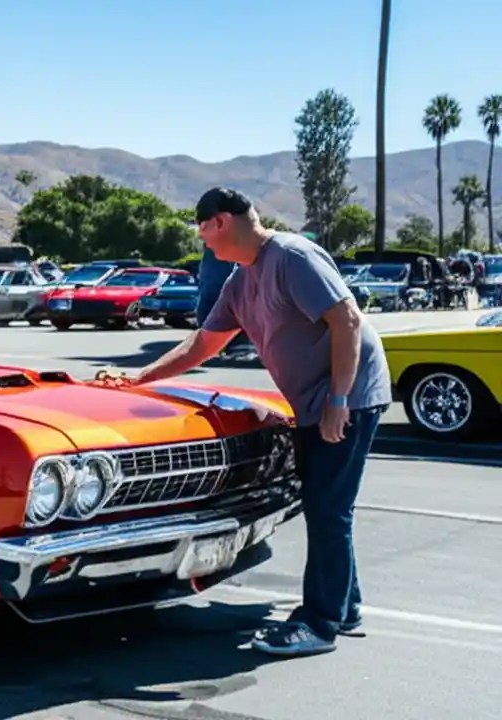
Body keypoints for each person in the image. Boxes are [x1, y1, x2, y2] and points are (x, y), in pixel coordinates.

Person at [134, 187, 392, 658]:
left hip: (349, 396)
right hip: (315, 401)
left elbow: (348, 321)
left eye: (202, 229)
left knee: (328, 507)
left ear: (221, 221)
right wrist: (140, 379)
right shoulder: (240, 281)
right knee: (325, 503)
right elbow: (202, 346)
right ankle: (345, 605)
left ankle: (319, 622)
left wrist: (338, 400)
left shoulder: (292, 257)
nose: (202, 241)